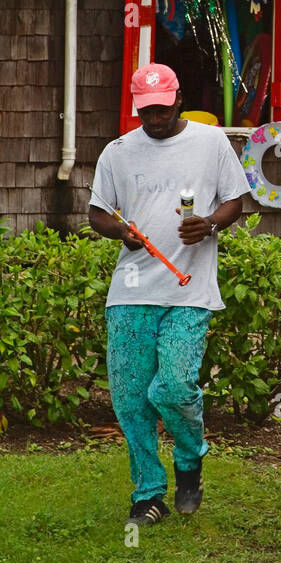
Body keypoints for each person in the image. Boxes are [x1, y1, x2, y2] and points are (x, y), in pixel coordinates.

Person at [89, 64, 248, 527]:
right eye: (145, 111)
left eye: (161, 110)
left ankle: (190, 457)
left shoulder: (210, 142)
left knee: (174, 386)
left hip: (189, 290)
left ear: (177, 100)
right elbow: (98, 212)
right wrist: (121, 231)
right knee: (132, 397)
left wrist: (212, 224)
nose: (154, 119)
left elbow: (235, 198)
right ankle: (148, 494)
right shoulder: (118, 151)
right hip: (131, 291)